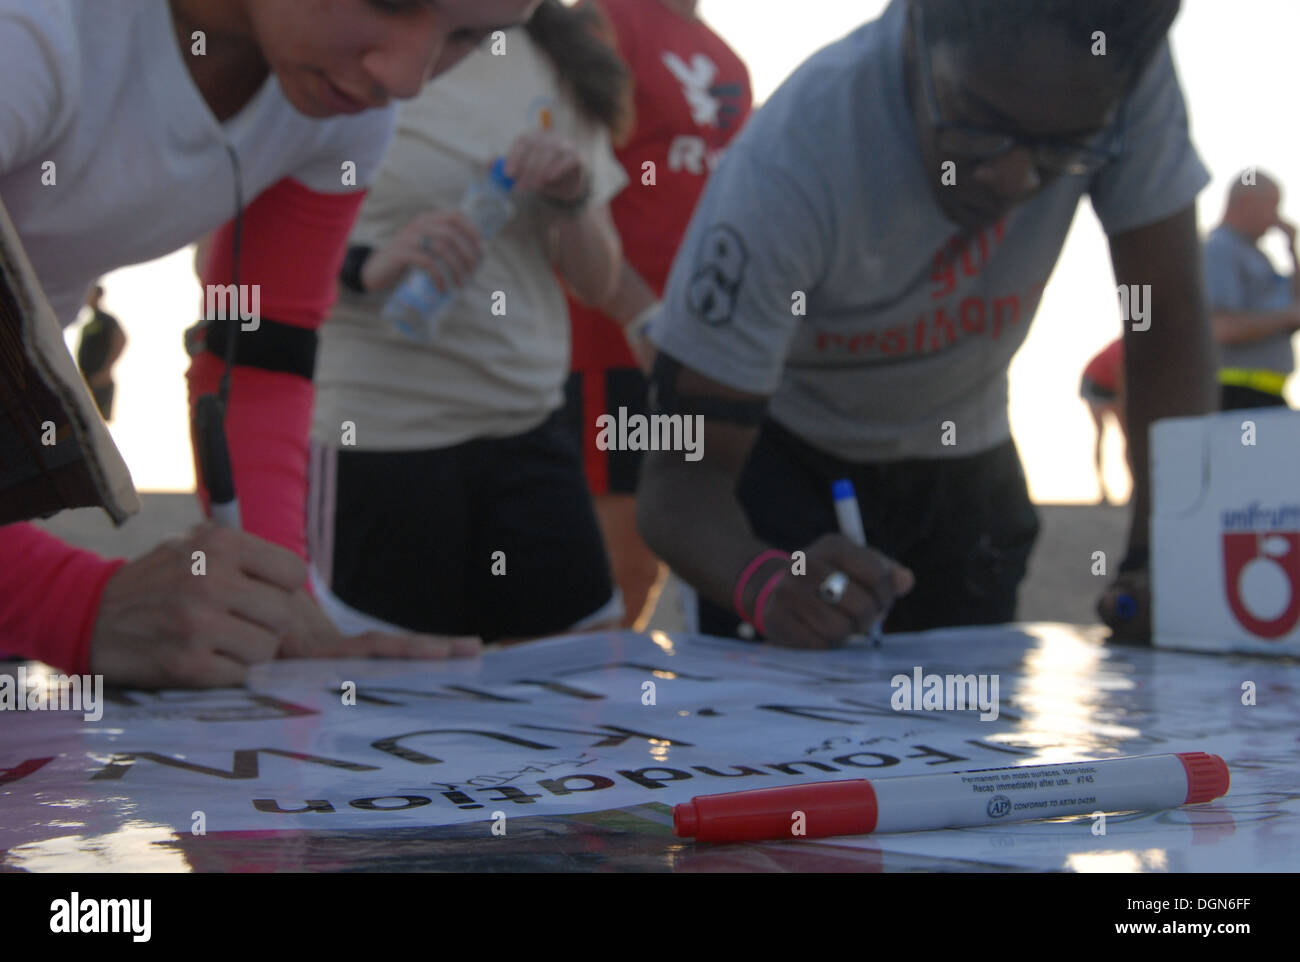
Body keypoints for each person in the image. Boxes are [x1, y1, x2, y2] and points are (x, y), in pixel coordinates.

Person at [636, 0, 1216, 649]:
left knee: (965, 730)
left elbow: (1165, 316)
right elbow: (680, 479)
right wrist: (762, 580)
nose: (1015, 177)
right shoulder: (792, 160)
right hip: (782, 463)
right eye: (980, 125)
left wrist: (1162, 556)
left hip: (968, 467)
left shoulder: (1118, 65)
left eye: (1063, 147)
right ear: (914, 30)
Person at [0, 0, 543, 688]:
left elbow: (261, 355)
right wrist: (71, 606)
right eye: (392, 0)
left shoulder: (340, 107)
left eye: (472, 35)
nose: (407, 77)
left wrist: (277, 611)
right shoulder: (31, 33)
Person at [306, 1, 631, 641]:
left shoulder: (553, 57)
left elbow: (600, 281)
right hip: (382, 438)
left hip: (529, 426)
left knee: (583, 695)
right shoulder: (344, 34)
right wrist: (366, 264)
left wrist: (571, 196)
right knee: (379, 712)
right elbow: (227, 261)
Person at [564, 0, 752, 630]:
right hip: (611, 343)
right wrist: (639, 315)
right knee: (612, 566)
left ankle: (618, 720)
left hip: (703, 351)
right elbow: (571, 175)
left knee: (665, 558)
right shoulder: (603, 23)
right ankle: (584, 725)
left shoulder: (727, 57)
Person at [1205, 171, 1300, 410]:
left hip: (1266, 395)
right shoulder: (1220, 250)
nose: (1276, 218)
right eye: (1273, 206)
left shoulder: (1256, 255)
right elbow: (1221, 327)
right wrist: (1287, 317)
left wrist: (1292, 251)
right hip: (1239, 396)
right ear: (1247, 203)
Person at [1079, 336, 1126, 504]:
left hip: (1114, 386)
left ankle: (1135, 488)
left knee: (1127, 437)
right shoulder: (1121, 349)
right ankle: (1102, 489)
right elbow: (1119, 376)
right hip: (1095, 385)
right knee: (1101, 433)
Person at [76, 284, 127, 421]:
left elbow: (121, 340)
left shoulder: (107, 320)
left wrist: (106, 370)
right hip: (86, 379)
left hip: (101, 380)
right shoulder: (88, 323)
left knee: (98, 423)